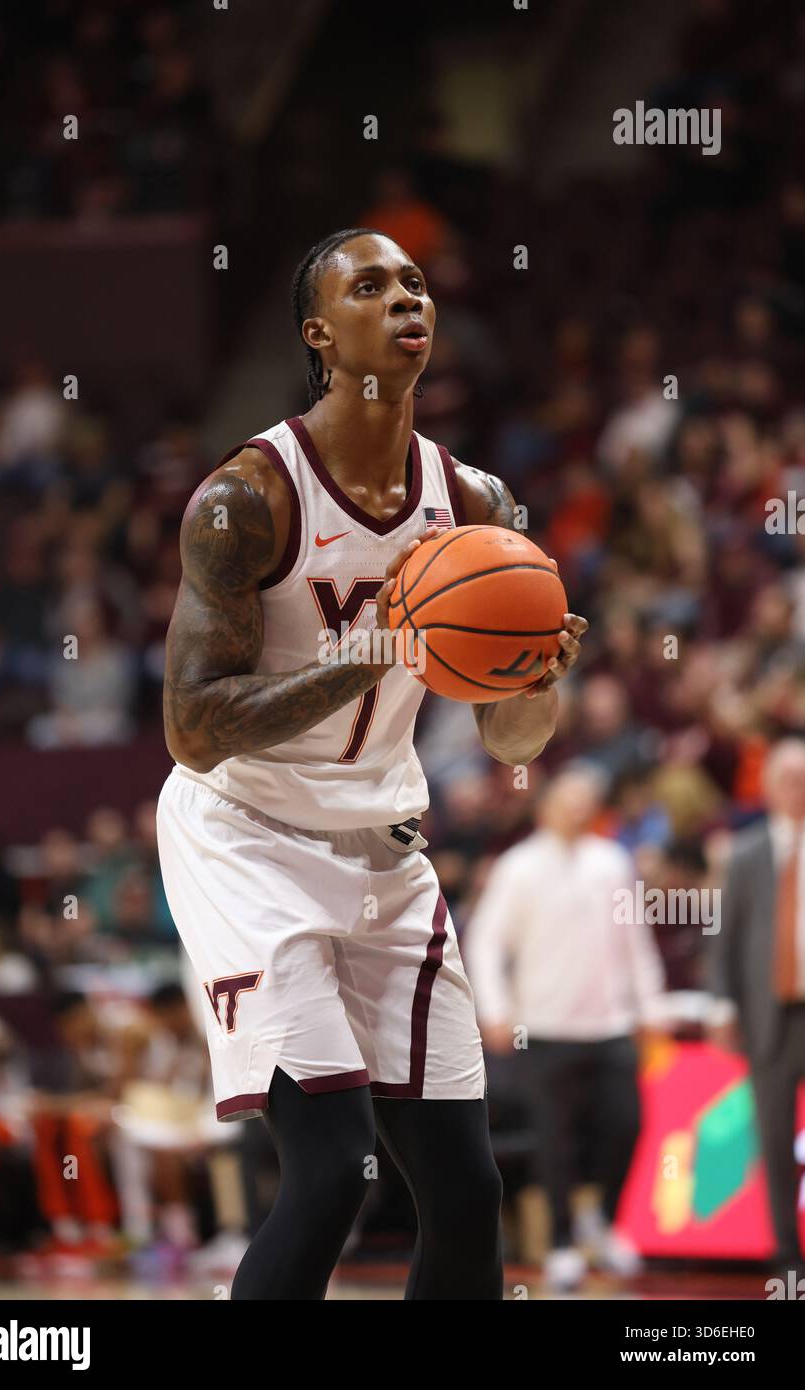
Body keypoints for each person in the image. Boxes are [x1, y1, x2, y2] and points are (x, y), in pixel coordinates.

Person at [156, 227, 588, 1300]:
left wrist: (531, 677)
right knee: (333, 1171)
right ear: (319, 332)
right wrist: (373, 653)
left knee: (466, 1187)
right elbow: (192, 727)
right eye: (370, 285)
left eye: (416, 284)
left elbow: (509, 742)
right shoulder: (243, 499)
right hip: (245, 838)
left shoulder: (475, 504)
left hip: (388, 851)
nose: (405, 298)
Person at [464, 766, 666, 1292]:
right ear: (547, 805)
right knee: (554, 1141)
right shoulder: (519, 866)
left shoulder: (613, 861)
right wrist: (495, 1008)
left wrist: (652, 1007)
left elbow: (636, 940)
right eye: (568, 799)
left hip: (612, 1023)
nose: (577, 809)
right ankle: (559, 1244)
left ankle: (604, 1219)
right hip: (546, 1027)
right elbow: (486, 942)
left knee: (627, 1123)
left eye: (587, 800)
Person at [709, 738, 805, 1277]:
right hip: (768, 1016)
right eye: (787, 779)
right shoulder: (745, 854)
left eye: (803, 779)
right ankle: (788, 1258)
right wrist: (723, 1005)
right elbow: (725, 938)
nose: (797, 789)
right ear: (767, 787)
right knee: (773, 1138)